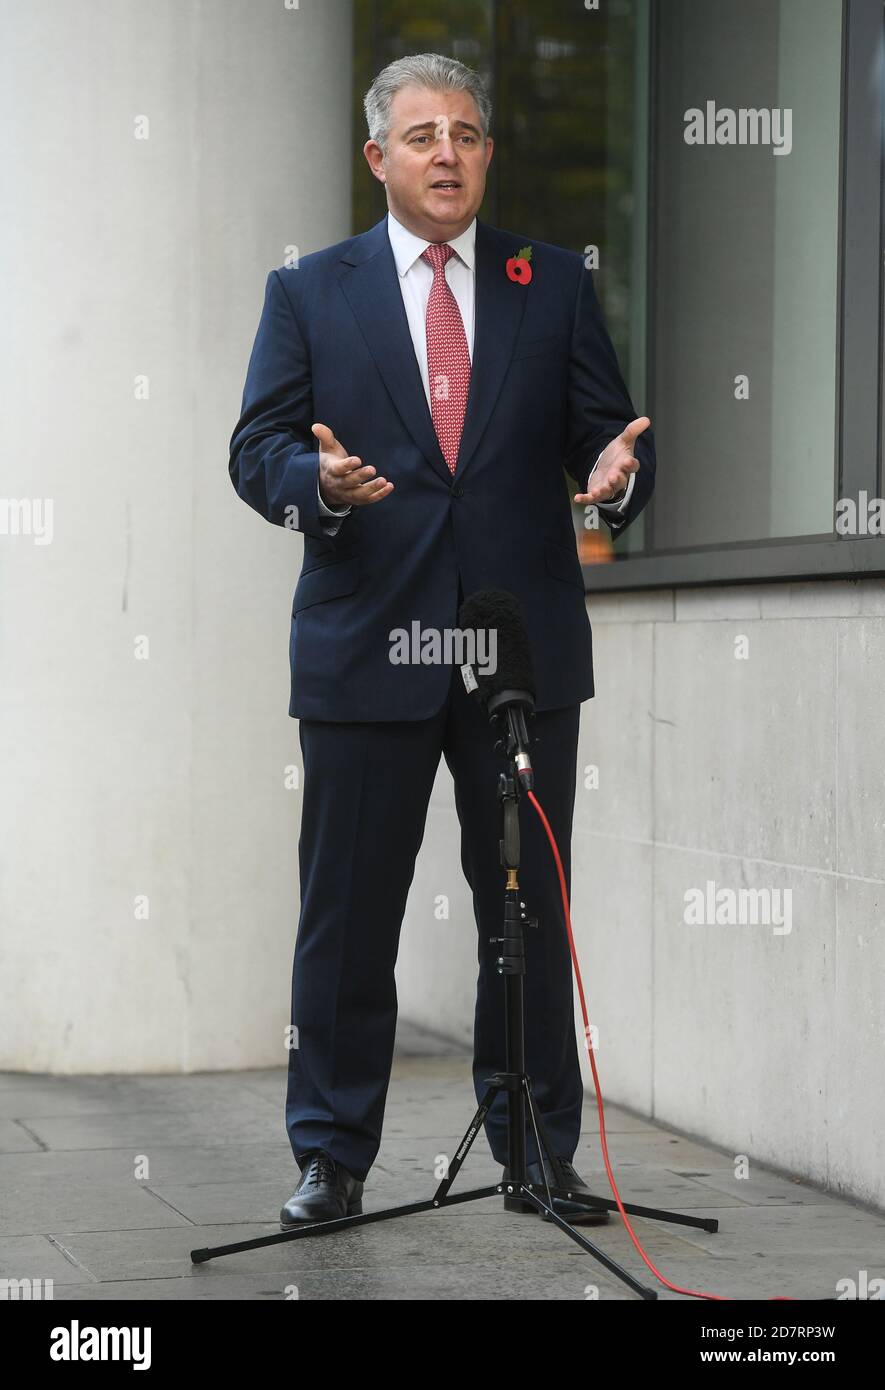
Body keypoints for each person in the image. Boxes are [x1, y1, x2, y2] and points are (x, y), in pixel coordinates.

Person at [229, 52, 655, 1229]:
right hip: (367, 646)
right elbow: (254, 447)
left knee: (524, 915)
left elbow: (606, 436)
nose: (447, 154)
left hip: (515, 657)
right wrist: (310, 479)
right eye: (422, 136)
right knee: (348, 917)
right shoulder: (312, 290)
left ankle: (536, 1153)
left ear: (486, 154)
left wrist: (617, 478)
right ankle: (330, 1155)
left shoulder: (549, 281)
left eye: (466, 133)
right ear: (378, 158)